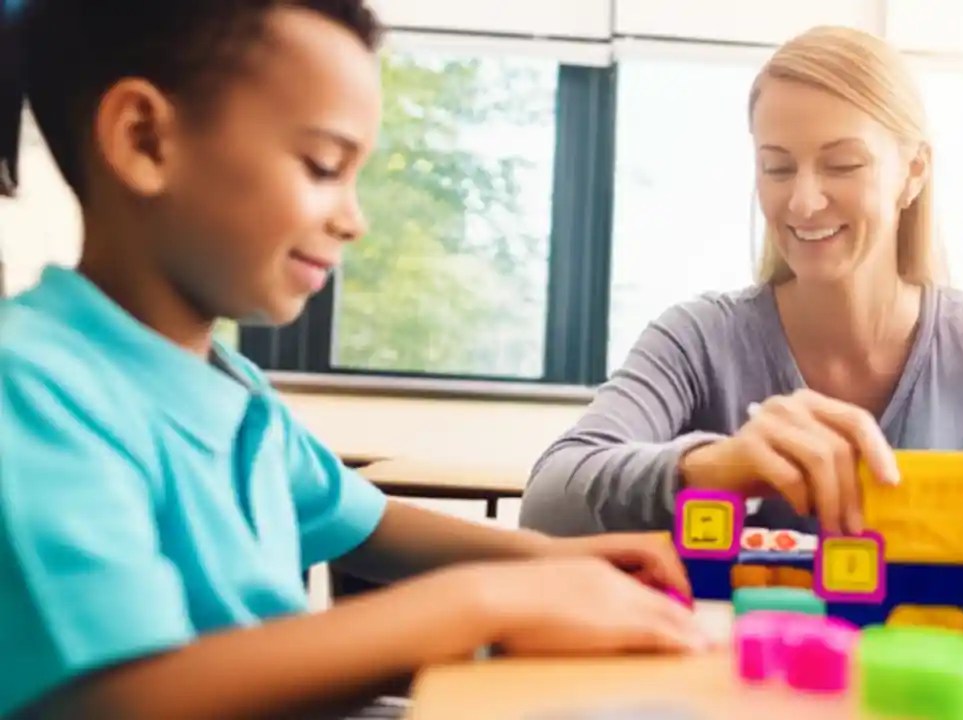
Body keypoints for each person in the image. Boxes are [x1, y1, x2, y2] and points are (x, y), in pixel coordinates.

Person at [0, 2, 706, 718]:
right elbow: (121, 698)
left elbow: (370, 526)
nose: (354, 219)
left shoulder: (234, 389)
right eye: (323, 166)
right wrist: (482, 603)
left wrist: (560, 561)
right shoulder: (32, 387)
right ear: (144, 139)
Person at [519, 26, 963, 574]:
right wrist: (711, 466)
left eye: (843, 164)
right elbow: (548, 500)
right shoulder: (697, 338)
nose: (802, 199)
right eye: (776, 167)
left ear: (913, 171)